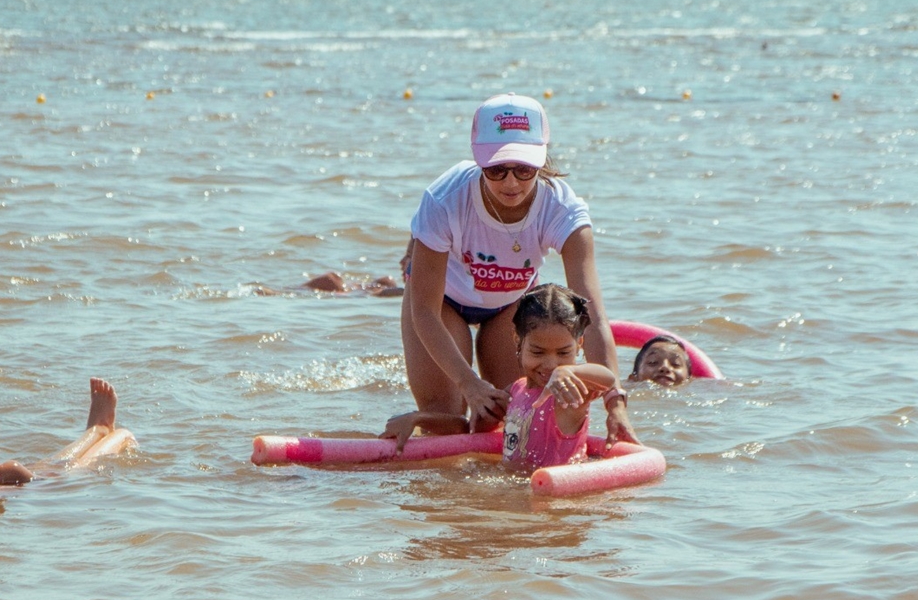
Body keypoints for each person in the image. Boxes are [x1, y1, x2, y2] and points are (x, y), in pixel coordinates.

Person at [400, 93, 636, 446]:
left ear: (541, 160)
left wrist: (615, 406)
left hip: (508, 306)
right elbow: (423, 309)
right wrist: (470, 384)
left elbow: (595, 317)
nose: (511, 183)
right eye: (496, 169)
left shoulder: (563, 209)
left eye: (524, 169)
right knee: (447, 426)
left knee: (514, 421)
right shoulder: (444, 199)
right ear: (478, 157)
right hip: (440, 305)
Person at [382, 284, 616, 471]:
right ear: (517, 341)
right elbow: (468, 429)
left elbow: (607, 379)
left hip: (556, 494)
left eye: (564, 353)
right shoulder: (515, 391)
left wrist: (570, 371)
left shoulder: (570, 392)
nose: (551, 364)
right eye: (537, 352)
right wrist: (417, 418)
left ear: (579, 345)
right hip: (518, 489)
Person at [0, 378, 135, 486]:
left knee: (49, 466)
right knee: (123, 435)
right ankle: (98, 429)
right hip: (41, 486)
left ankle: (97, 431)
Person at [254, 271, 404, 297]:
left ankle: (277, 292)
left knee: (330, 281)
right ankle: (279, 293)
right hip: (356, 291)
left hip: (354, 291)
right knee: (330, 280)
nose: (401, 262)